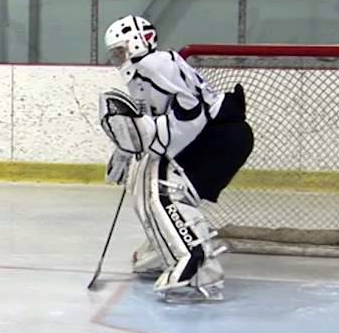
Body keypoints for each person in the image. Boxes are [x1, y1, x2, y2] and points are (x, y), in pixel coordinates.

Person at [97, 15, 253, 301]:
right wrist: (127, 149)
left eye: (120, 50)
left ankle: (197, 263)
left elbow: (191, 112)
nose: (118, 58)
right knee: (143, 181)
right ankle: (167, 243)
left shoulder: (155, 65)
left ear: (137, 43)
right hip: (209, 135)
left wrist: (156, 143)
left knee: (164, 190)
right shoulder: (142, 71)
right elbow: (152, 118)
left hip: (218, 137)